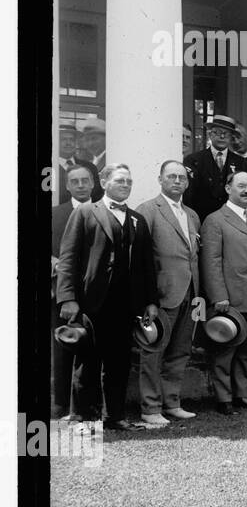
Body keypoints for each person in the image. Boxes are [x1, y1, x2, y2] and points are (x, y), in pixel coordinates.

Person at [56, 163, 159, 431]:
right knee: (87, 361)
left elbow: (147, 265)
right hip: (92, 301)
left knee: (119, 362)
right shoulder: (86, 213)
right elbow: (68, 258)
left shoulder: (138, 219)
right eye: (120, 180)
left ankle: (114, 416)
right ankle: (82, 417)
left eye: (129, 181)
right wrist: (67, 297)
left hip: (126, 304)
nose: (125, 185)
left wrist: (150, 302)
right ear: (104, 181)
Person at [200, 170, 247, 415]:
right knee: (224, 350)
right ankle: (224, 399)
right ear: (228, 189)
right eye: (241, 186)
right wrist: (219, 295)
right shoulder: (215, 220)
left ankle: (241, 394)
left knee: (246, 351)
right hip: (230, 299)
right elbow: (211, 261)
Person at [136, 160, 202, 425]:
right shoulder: (148, 210)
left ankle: (171, 402)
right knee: (153, 351)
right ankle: (150, 408)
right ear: (160, 180)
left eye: (182, 177)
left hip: (192, 293)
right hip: (163, 294)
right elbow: (141, 260)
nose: (177, 181)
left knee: (181, 350)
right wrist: (149, 299)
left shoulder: (192, 215)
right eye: (171, 176)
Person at [51, 163, 96, 415]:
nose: (80, 185)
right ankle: (60, 404)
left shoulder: (101, 210)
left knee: (91, 348)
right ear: (67, 186)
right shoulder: (54, 214)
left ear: (92, 183)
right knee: (63, 346)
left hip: (93, 292)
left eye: (85, 181)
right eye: (74, 181)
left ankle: (87, 404)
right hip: (62, 292)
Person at [183, 114, 247, 222]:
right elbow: (189, 196)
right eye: (217, 132)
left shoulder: (240, 162)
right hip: (202, 221)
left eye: (226, 134)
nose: (222, 137)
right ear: (210, 135)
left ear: (231, 137)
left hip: (232, 223)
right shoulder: (194, 160)